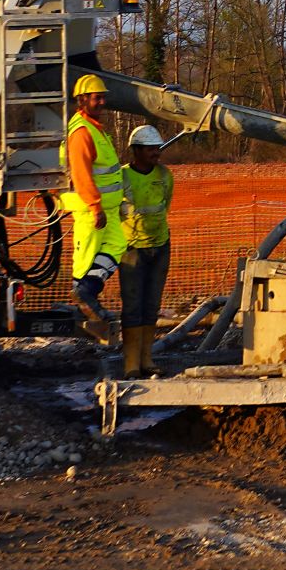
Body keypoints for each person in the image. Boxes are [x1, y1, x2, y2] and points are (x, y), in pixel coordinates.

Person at [61, 76, 129, 348]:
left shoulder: (95, 128)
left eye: (102, 97)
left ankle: (88, 290)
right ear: (82, 100)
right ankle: (85, 300)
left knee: (118, 244)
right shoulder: (81, 132)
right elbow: (81, 174)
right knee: (85, 258)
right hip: (93, 210)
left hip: (108, 209)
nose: (101, 102)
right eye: (96, 97)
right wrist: (94, 205)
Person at [116, 124, 176, 377]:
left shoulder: (164, 176)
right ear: (136, 150)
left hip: (159, 246)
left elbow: (165, 206)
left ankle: (146, 360)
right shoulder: (122, 177)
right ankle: (131, 364)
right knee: (132, 306)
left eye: (157, 147)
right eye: (150, 148)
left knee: (151, 305)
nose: (156, 152)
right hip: (132, 249)